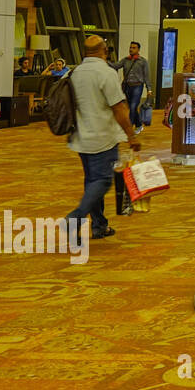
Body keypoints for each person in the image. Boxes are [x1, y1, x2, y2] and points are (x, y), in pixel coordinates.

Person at [64, 36, 141, 243]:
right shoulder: (106, 73)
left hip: (81, 137)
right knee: (102, 180)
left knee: (92, 181)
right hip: (103, 137)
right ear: (104, 50)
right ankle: (75, 217)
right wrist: (131, 136)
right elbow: (119, 108)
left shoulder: (75, 73)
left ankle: (100, 225)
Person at [115, 41, 152, 134]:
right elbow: (116, 66)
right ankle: (139, 125)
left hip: (137, 86)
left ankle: (129, 128)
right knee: (133, 108)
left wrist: (149, 89)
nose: (131, 49)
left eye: (134, 47)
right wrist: (104, 62)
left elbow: (147, 76)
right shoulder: (125, 60)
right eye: (130, 47)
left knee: (132, 106)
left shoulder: (143, 61)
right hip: (127, 87)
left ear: (138, 50)